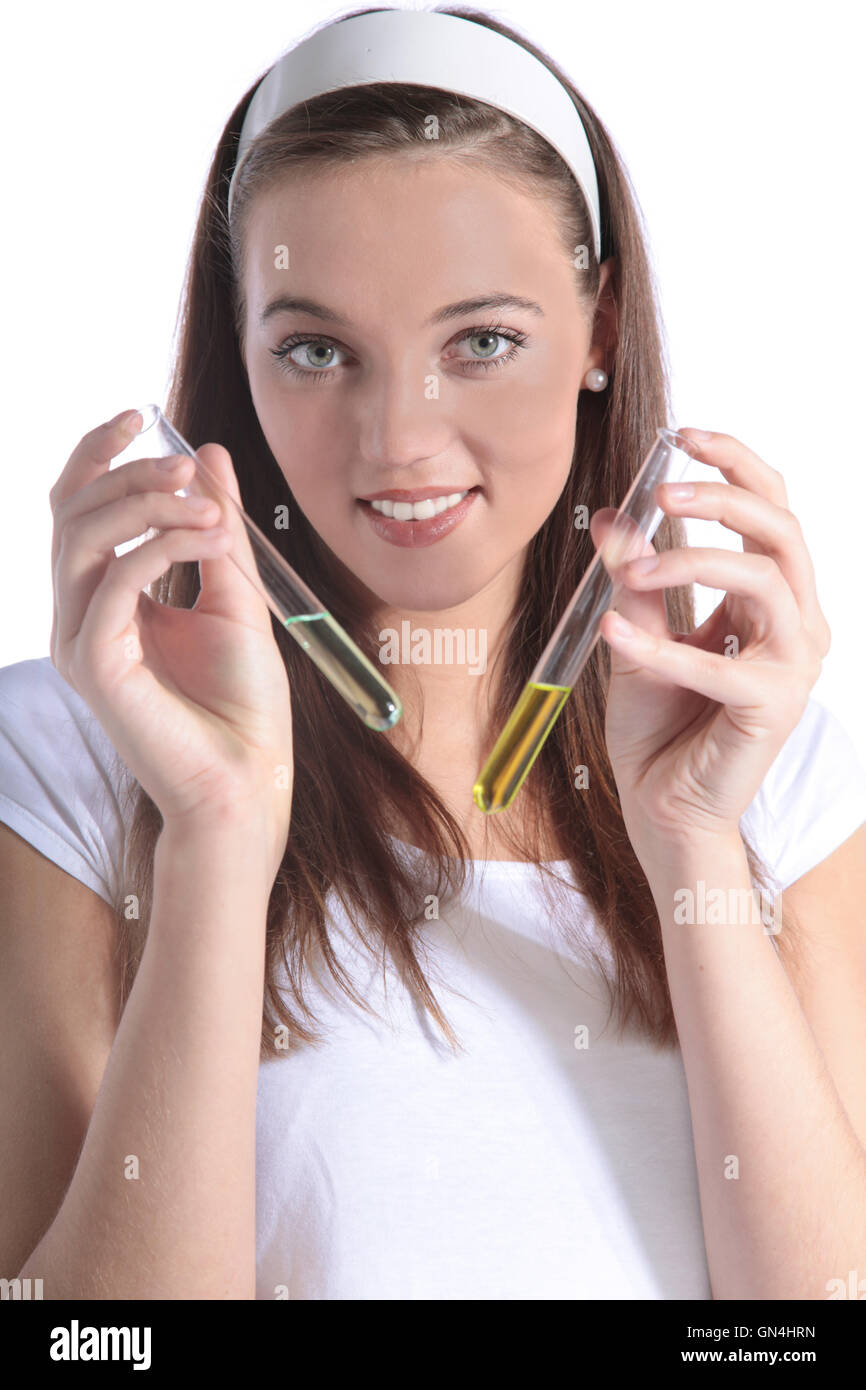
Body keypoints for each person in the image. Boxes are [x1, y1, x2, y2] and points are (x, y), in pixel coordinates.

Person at [2, 4, 865, 1301]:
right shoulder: (69, 752)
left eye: (482, 341)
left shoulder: (774, 774)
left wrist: (689, 837)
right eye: (314, 346)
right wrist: (219, 828)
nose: (398, 437)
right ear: (235, 346)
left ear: (600, 332)